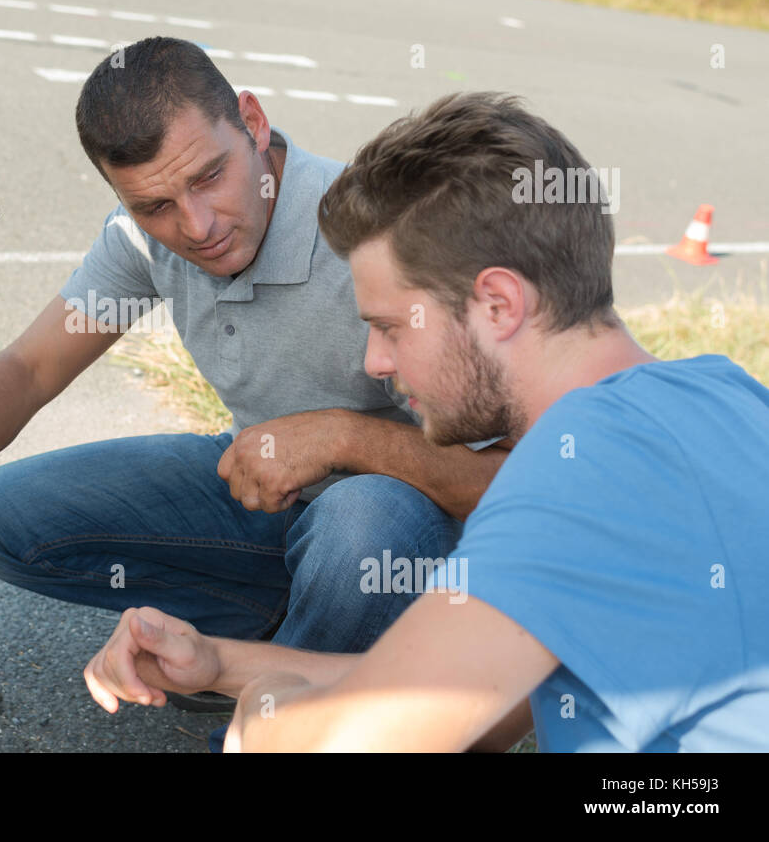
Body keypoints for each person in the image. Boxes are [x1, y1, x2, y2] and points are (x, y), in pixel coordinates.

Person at [0, 37, 503, 700]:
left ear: (252, 120)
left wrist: (344, 436)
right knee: (4, 516)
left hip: (411, 532)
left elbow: (510, 476)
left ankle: (286, 703)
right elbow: (28, 367)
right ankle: (266, 634)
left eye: (211, 176)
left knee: (365, 523)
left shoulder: (380, 238)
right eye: (155, 204)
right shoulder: (143, 241)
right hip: (270, 489)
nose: (198, 226)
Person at [83, 90, 769, 751]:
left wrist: (273, 718)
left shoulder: (575, 476)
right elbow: (466, 705)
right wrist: (215, 661)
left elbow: (349, 742)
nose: (377, 360)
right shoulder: (726, 394)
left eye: (390, 326)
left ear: (498, 304)